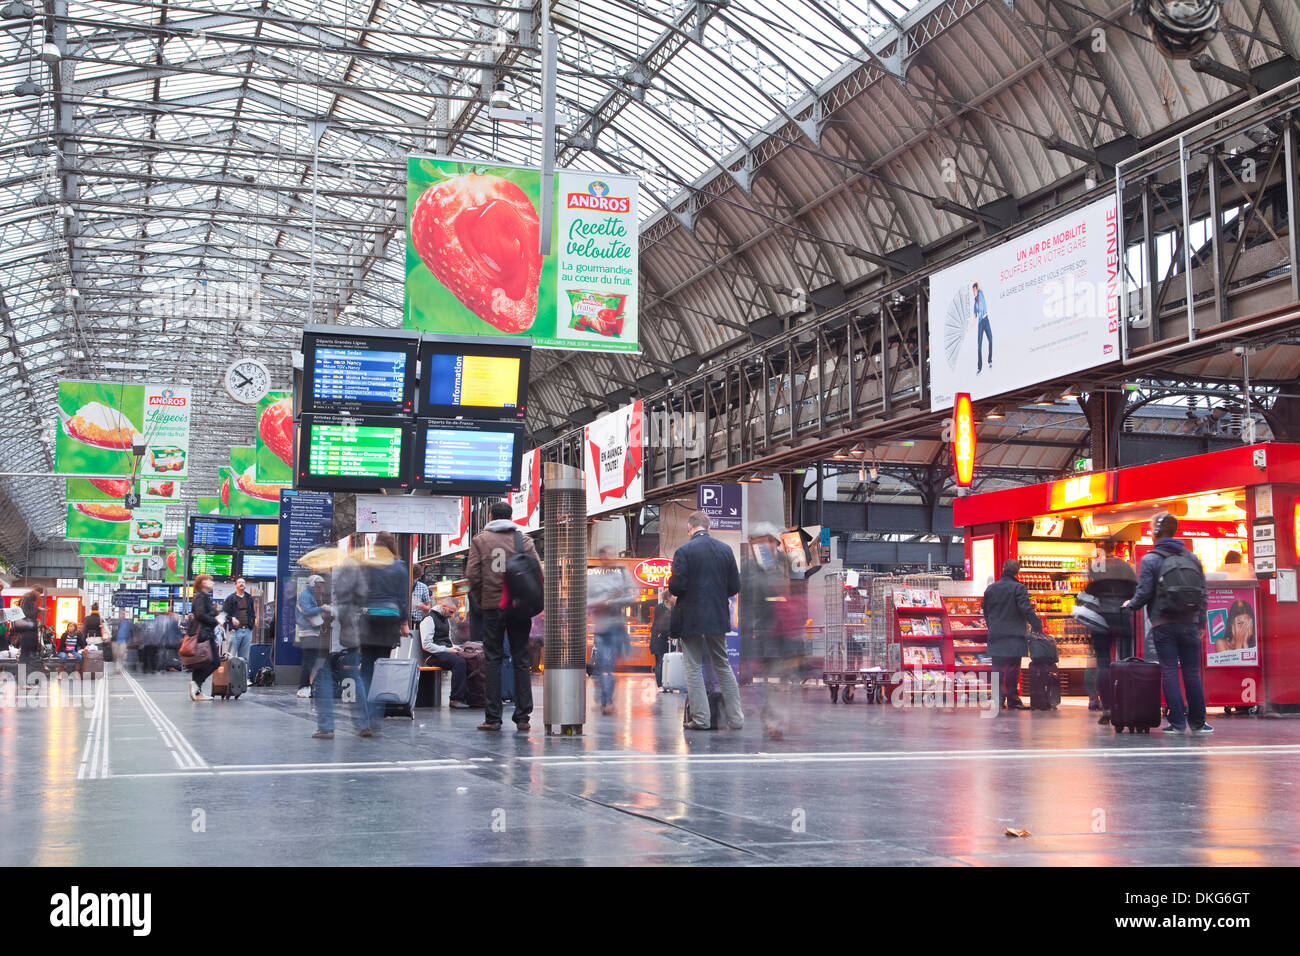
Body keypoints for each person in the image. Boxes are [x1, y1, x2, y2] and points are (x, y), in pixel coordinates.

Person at [1124, 512, 1212, 734]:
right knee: (1192, 672)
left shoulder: (1151, 559)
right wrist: (1200, 622)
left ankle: (1178, 722)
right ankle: (1199, 722)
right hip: (1190, 623)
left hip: (1164, 623)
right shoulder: (1191, 558)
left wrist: (1129, 605)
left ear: (1156, 532)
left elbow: (1143, 593)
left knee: (1170, 670)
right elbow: (1203, 593)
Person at [467, 500, 539, 732]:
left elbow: (473, 574)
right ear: (510, 516)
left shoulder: (480, 540)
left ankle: (493, 718)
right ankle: (522, 717)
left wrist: (482, 599)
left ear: (490, 516)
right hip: (519, 606)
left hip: (493, 607)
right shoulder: (524, 540)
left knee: (493, 658)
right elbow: (537, 570)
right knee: (521, 658)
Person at [668, 510, 743, 731]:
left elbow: (677, 586)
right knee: (722, 664)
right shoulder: (725, 550)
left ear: (690, 528)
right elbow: (734, 587)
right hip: (716, 617)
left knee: (693, 666)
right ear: (708, 527)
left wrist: (671, 581)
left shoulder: (684, 551)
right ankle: (736, 718)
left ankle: (701, 719)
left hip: (690, 618)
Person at [358, 532, 409, 737]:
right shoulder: (400, 566)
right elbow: (402, 597)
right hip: (390, 618)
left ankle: (364, 720)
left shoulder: (368, 565)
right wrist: (404, 622)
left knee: (366, 670)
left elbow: (361, 592)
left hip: (369, 618)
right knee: (381, 670)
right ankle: (376, 719)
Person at [1085, 541, 1137, 726]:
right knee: (1126, 663)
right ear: (1115, 548)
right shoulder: (1127, 568)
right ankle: (1125, 705)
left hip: (1100, 618)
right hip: (1122, 617)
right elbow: (1135, 593)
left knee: (1103, 664)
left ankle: (1107, 707)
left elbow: (1088, 594)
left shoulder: (1095, 568)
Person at [316, 555, 367, 739]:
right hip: (350, 642)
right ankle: (363, 724)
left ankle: (326, 727)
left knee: (325, 680)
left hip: (342, 643)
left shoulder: (347, 585)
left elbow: (344, 612)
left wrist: (329, 609)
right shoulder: (360, 585)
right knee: (353, 680)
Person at [981, 560, 1042, 712]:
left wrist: (992, 627)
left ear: (1003, 569)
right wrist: (1037, 625)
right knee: (1012, 668)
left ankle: (998, 699)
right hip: (1014, 634)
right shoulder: (1018, 588)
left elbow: (986, 611)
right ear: (1017, 572)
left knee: (997, 668)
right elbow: (1025, 609)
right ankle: (1013, 699)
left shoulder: (991, 588)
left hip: (996, 634)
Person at [588, 547, 632, 715]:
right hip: (600, 628)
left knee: (607, 665)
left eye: (612, 555)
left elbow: (632, 596)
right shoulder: (593, 576)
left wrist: (615, 600)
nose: (609, 559)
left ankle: (607, 701)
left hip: (615, 627)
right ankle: (604, 699)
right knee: (602, 666)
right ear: (600, 558)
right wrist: (602, 602)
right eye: (606, 556)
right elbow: (586, 600)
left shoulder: (622, 574)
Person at [419, 599, 471, 708]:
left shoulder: (445, 619)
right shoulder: (429, 619)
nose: (452, 616)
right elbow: (426, 645)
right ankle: (455, 699)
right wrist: (448, 650)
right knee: (459, 662)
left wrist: (458, 648)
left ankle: (470, 696)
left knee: (469, 658)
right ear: (443, 607)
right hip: (432, 656)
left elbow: (448, 641)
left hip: (444, 652)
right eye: (451, 612)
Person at [295, 575, 330, 699]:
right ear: (313, 584)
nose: (320, 587)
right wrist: (322, 608)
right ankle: (303, 687)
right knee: (308, 661)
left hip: (311, 632)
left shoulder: (310, 595)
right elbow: (307, 611)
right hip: (308, 632)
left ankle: (306, 687)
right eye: (319, 584)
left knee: (310, 660)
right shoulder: (306, 595)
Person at [189, 574, 222, 701]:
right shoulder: (201, 597)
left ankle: (197, 693)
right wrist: (215, 621)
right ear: (202, 582)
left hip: (204, 634)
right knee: (215, 662)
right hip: (204, 635)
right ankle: (196, 684)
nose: (212, 583)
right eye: (209, 580)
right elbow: (201, 615)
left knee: (199, 664)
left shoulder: (204, 597)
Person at [222, 577, 256, 664]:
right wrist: (231, 623)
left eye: (243, 582)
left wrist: (251, 625)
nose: (242, 584)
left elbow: (252, 613)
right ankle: (230, 677)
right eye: (239, 582)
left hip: (247, 630)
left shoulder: (249, 598)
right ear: (235, 585)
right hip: (235, 631)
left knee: (244, 658)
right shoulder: (230, 599)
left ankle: (243, 677)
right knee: (231, 657)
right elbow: (224, 614)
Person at [649, 590, 675, 689]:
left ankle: (668, 683)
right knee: (660, 662)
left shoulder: (674, 608)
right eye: (673, 596)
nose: (675, 598)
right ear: (668, 597)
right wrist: (667, 634)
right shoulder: (660, 608)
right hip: (659, 638)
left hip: (669, 640)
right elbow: (660, 624)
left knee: (668, 662)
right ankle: (660, 685)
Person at [972, 280, 992, 373]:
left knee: (991, 340)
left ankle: (990, 361)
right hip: (980, 323)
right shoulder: (975, 302)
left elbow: (978, 284)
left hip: (986, 320)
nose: (974, 292)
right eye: (973, 291)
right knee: (979, 345)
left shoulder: (981, 294)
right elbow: (975, 313)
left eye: (975, 290)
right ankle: (979, 367)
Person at [411, 566, 433, 632]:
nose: (413, 580)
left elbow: (428, 607)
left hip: (418, 622)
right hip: (403, 620)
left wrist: (423, 607)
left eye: (414, 578)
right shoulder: (402, 585)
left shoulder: (423, 587)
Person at [113, 610, 132, 675]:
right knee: (118, 655)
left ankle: (120, 667)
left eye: (124, 614)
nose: (122, 615)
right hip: (117, 641)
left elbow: (130, 631)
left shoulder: (128, 623)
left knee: (121, 654)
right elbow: (115, 631)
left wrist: (129, 639)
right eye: (122, 614)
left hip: (124, 641)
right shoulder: (118, 622)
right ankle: (118, 668)